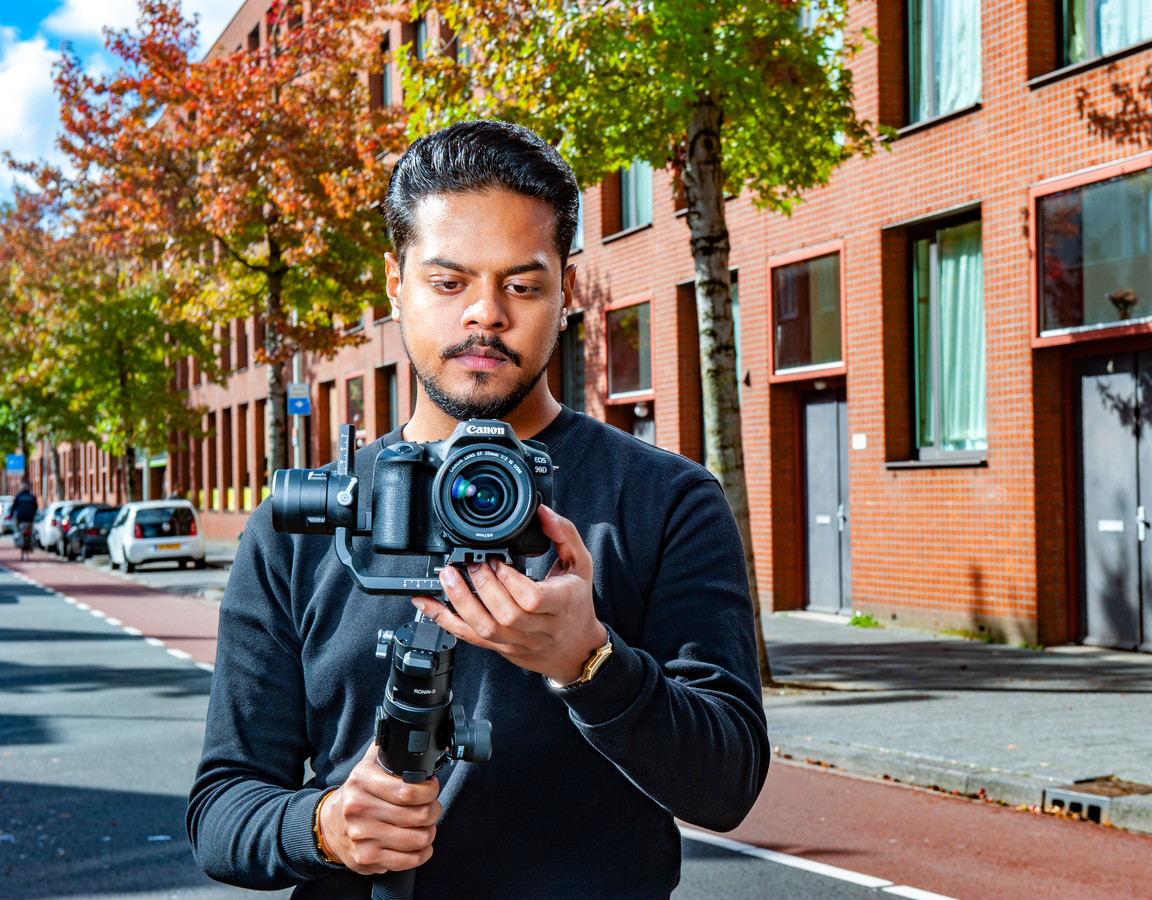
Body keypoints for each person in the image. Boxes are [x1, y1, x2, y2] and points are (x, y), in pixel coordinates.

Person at [187, 121, 769, 898]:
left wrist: (589, 663)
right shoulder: (299, 527)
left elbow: (727, 784)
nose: (485, 315)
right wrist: (326, 826)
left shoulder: (668, 502)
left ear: (565, 290)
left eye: (522, 286)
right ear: (395, 287)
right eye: (449, 281)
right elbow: (223, 808)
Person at [11, 482, 37, 560]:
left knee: (18, 530)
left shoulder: (18, 496)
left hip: (21, 519)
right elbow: (36, 506)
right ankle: (31, 544)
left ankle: (20, 542)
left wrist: (11, 514)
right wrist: (34, 514)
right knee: (32, 531)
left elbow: (14, 507)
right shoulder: (31, 496)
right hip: (30, 518)